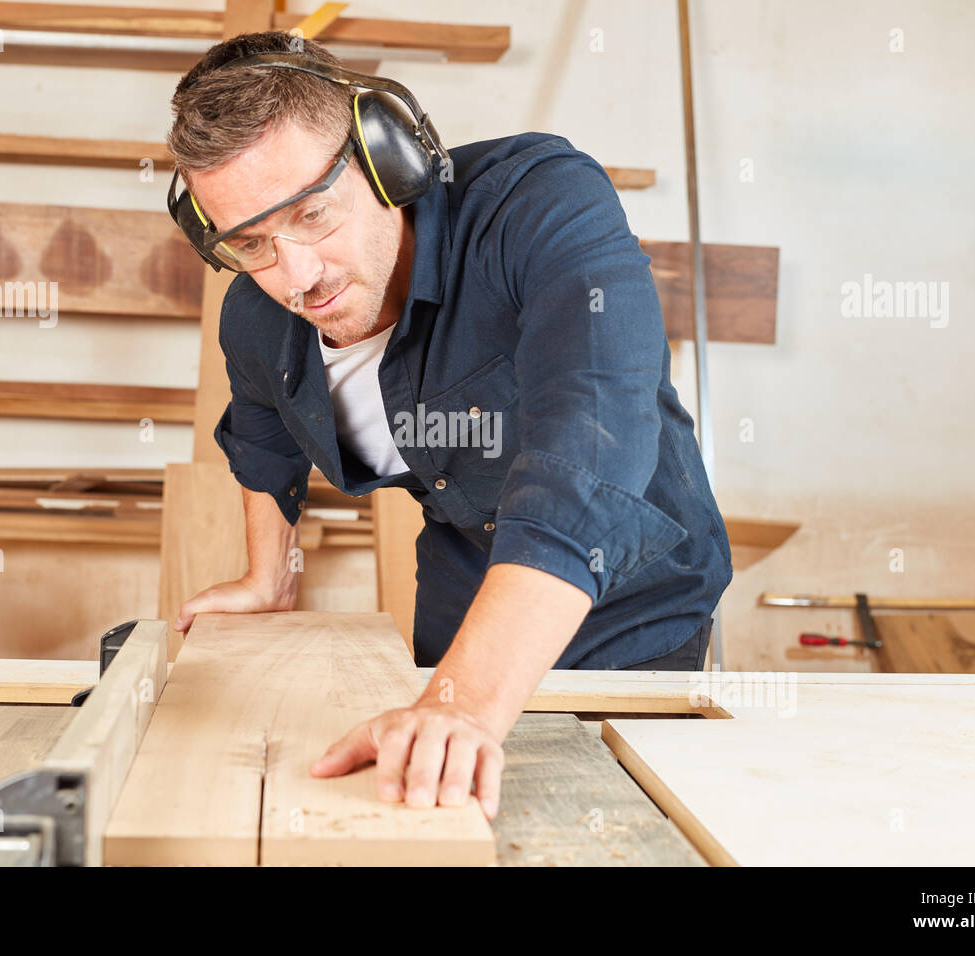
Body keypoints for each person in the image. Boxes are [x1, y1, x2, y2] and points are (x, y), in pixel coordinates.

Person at [167, 31, 732, 820]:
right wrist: (271, 576)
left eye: (313, 214)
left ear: (388, 159)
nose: (298, 277)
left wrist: (467, 705)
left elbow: (590, 447)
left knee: (607, 823)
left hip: (635, 616)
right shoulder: (259, 316)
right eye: (252, 244)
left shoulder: (539, 205)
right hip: (463, 602)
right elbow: (261, 432)